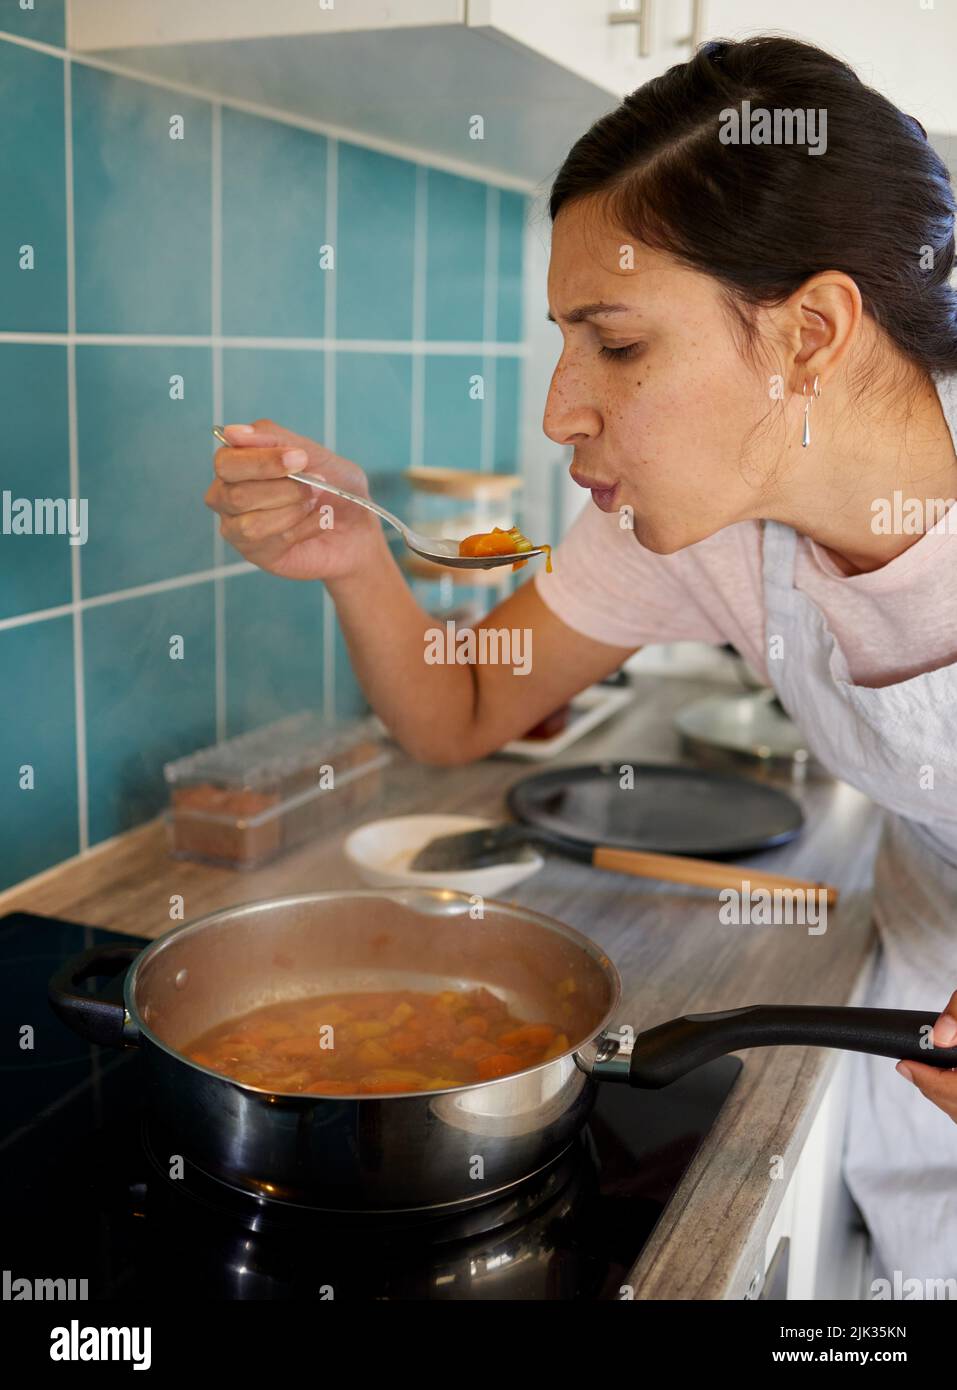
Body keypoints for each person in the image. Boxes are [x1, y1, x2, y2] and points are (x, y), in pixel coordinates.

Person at [206, 36, 957, 1285]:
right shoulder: (710, 517)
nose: (562, 407)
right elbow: (462, 707)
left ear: (812, 333)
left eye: (614, 344)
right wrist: (358, 560)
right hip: (918, 987)